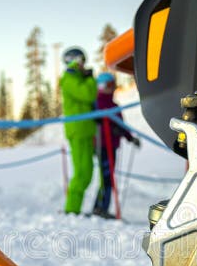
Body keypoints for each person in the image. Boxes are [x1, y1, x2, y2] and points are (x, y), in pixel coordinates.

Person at [93, 72, 139, 219]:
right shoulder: (97, 103)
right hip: (102, 145)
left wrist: (130, 137)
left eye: (112, 85)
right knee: (106, 178)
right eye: (108, 85)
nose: (111, 88)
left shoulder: (114, 105)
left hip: (112, 146)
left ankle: (99, 208)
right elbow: (97, 120)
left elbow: (121, 125)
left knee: (108, 177)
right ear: (100, 86)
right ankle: (101, 209)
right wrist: (109, 127)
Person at [59, 46, 97, 214]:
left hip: (86, 131)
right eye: (81, 60)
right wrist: (90, 79)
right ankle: (71, 209)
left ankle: (75, 209)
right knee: (82, 173)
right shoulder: (69, 79)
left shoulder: (78, 78)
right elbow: (88, 94)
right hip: (78, 131)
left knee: (87, 173)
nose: (83, 64)